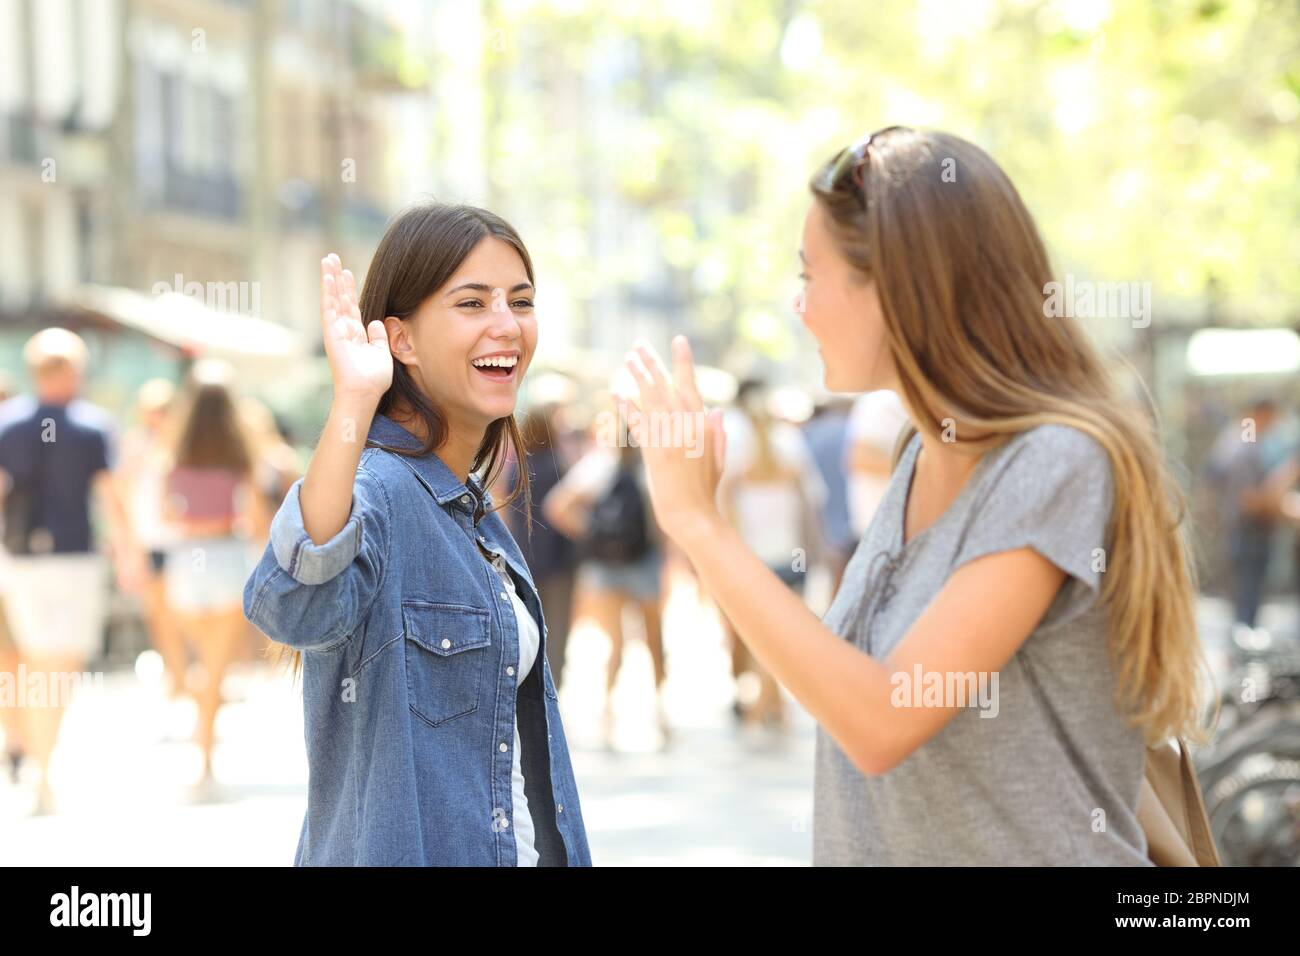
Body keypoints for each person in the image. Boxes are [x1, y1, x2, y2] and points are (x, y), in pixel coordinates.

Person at [619, 126, 1212, 865]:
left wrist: (699, 525)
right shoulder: (919, 454)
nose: (798, 307)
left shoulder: (1055, 462)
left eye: (811, 275)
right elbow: (848, 690)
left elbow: (882, 720)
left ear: (900, 288)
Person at [243, 203, 592, 866]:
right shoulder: (380, 489)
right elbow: (296, 605)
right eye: (471, 303)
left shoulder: (473, 510)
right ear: (400, 340)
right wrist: (352, 399)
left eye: (520, 301)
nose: (506, 325)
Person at [0, 328, 145, 814]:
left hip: (22, 559)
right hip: (75, 558)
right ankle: (44, 766)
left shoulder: (8, 424)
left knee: (40, 659)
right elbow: (109, 496)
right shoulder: (92, 427)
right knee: (61, 663)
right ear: (68, 371)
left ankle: (40, 762)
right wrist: (129, 553)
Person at [162, 360, 269, 786]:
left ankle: (201, 737)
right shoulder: (241, 457)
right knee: (216, 665)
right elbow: (259, 520)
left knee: (201, 662)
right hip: (227, 556)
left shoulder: (173, 457)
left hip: (187, 561)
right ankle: (204, 750)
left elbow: (165, 515)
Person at [543, 400, 670, 747]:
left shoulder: (600, 464)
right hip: (644, 561)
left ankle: (609, 712)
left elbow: (558, 506)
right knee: (654, 639)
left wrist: (594, 535)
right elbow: (665, 522)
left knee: (615, 643)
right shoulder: (652, 468)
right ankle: (659, 713)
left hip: (608, 565)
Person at [719, 379, 825, 731]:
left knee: (760, 640)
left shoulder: (733, 444)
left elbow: (722, 504)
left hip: (751, 556)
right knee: (782, 638)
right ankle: (775, 707)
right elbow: (814, 498)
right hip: (790, 554)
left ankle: (760, 710)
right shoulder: (791, 445)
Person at [118, 378, 187, 700]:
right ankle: (177, 674)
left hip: (183, 542)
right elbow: (122, 493)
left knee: (184, 610)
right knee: (157, 612)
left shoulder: (185, 444)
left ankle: (187, 672)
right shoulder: (135, 446)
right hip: (149, 540)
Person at [504, 402, 579, 693]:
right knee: (557, 631)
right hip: (559, 561)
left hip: (525, 559)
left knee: (529, 628)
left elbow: (510, 513)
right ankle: (552, 688)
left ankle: (531, 689)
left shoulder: (517, 468)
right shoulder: (559, 464)